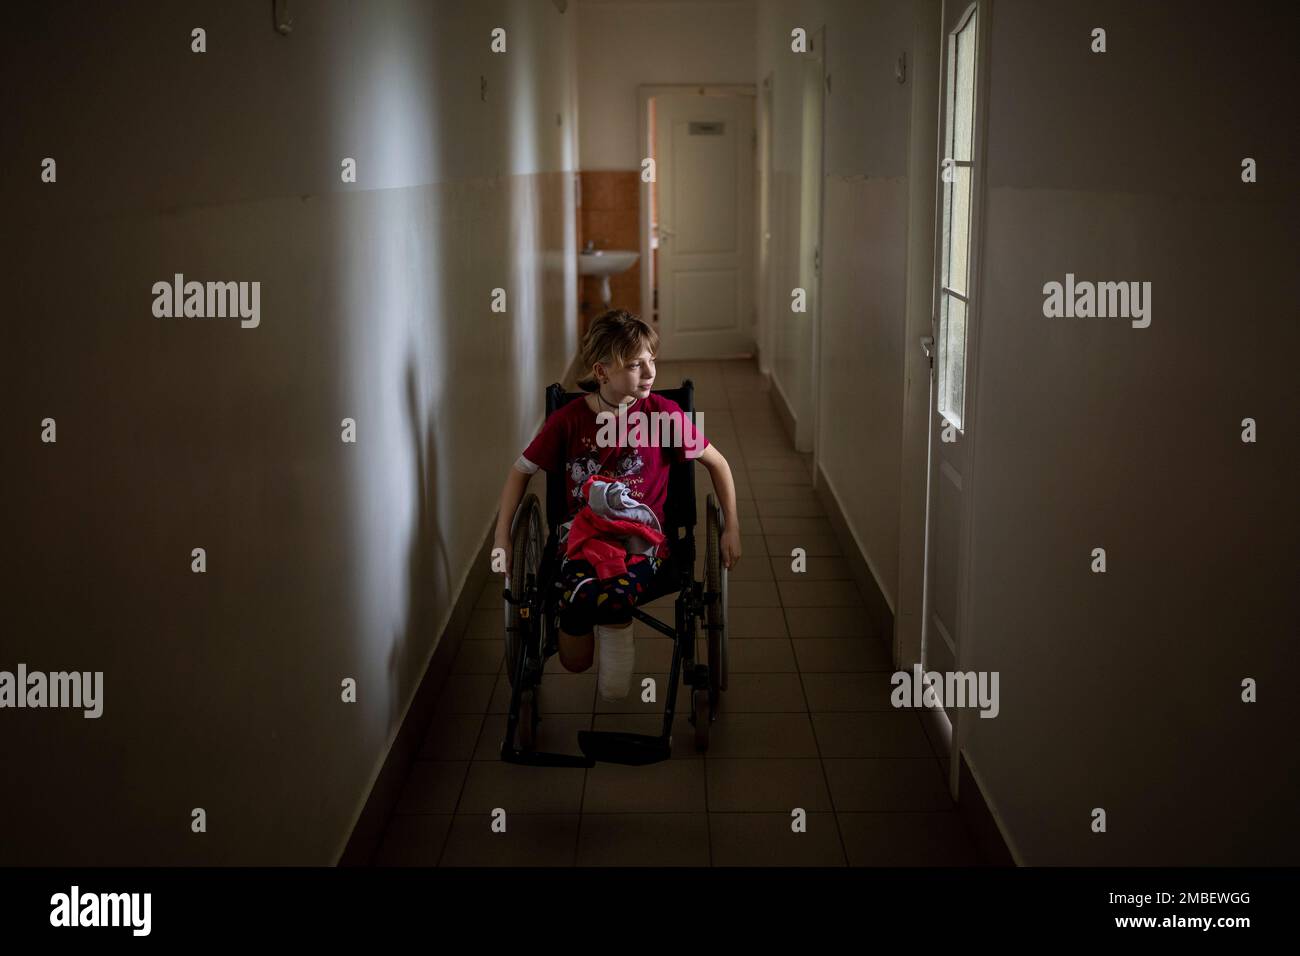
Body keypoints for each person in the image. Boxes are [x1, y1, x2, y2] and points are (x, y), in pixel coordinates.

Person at [492, 308, 742, 701]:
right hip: (581, 539)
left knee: (614, 597)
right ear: (602, 370)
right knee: (576, 651)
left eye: (651, 361)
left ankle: (611, 627)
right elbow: (520, 471)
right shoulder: (569, 421)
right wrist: (502, 537)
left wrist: (732, 528)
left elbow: (719, 464)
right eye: (635, 364)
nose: (649, 372)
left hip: (641, 540)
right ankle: (589, 616)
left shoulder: (664, 414)